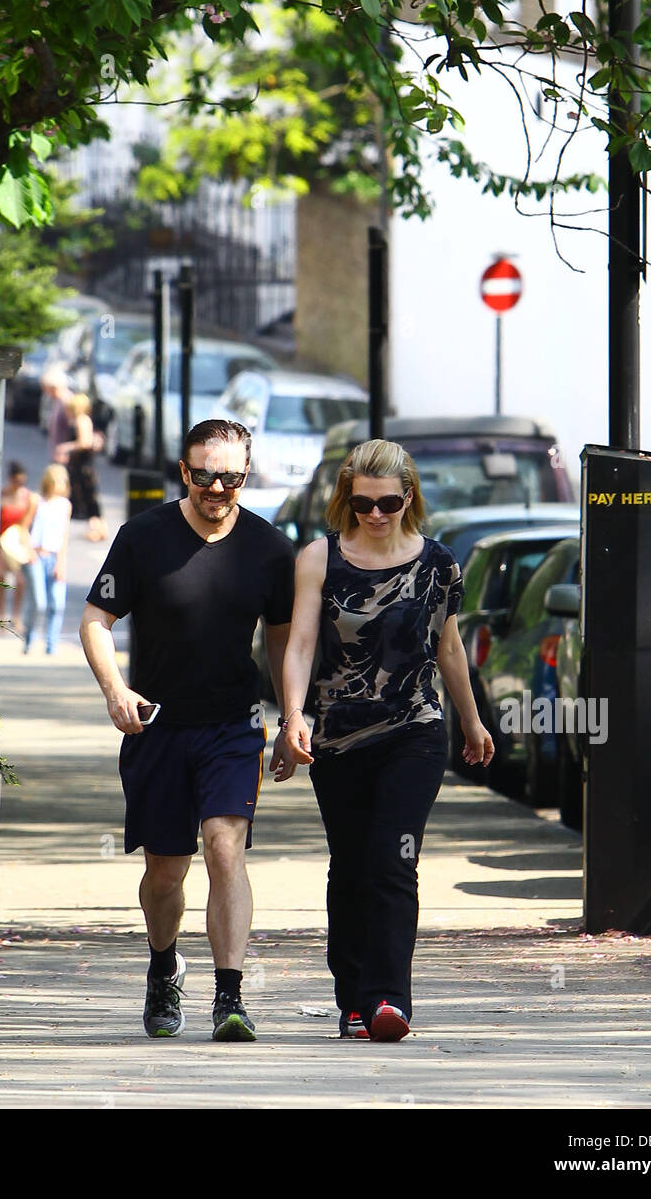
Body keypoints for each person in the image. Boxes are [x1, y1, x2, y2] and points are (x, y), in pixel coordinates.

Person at [271, 438, 494, 1042]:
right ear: (347, 499)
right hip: (338, 738)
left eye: (388, 502)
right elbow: (299, 645)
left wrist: (471, 721)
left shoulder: (438, 563)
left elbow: (449, 648)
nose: (375, 514)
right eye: (363, 502)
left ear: (409, 497)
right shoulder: (320, 558)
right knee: (350, 866)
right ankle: (352, 997)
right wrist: (293, 716)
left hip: (415, 731)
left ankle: (389, 999)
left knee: (394, 860)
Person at [79, 419, 295, 1042]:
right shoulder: (143, 538)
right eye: (204, 475)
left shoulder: (268, 549)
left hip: (233, 726)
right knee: (166, 873)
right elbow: (96, 620)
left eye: (229, 477)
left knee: (226, 847)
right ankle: (162, 965)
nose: (216, 488)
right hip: (159, 729)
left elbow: (283, 645)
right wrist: (116, 690)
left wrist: (291, 718)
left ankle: (230, 997)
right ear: (184, 472)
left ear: (245, 478)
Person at [22, 464, 72, 656]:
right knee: (38, 602)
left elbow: (64, 536)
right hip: (36, 555)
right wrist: (30, 551)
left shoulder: (65, 505)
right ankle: (29, 637)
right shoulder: (37, 500)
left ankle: (51, 644)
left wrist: (62, 563)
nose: (59, 486)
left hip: (54, 556)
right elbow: (24, 528)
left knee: (57, 603)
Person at [55, 392, 107, 543]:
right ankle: (97, 528)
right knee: (87, 497)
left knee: (88, 496)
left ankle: (98, 528)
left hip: (83, 466)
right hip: (80, 465)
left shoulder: (81, 421)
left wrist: (66, 447)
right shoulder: (80, 420)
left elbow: (84, 442)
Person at [0, 461, 38, 630]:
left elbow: (25, 526)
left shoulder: (29, 498)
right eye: (17, 481)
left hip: (16, 542)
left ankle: (16, 616)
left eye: (23, 482)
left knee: (20, 581)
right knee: (2, 579)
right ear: (11, 479)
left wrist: (28, 549)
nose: (20, 485)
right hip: (1, 542)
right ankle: (1, 617)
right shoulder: (1, 495)